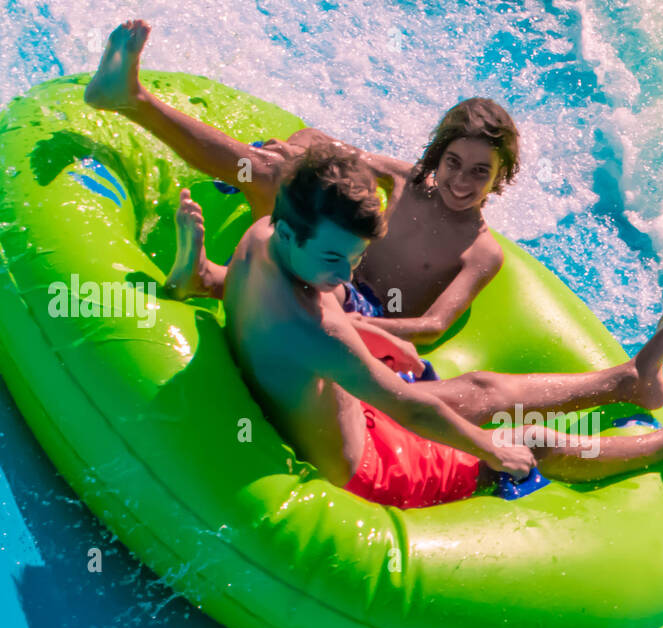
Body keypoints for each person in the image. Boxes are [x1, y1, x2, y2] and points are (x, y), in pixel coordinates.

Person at [160, 143, 663, 509]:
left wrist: (377, 333)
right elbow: (410, 410)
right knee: (525, 437)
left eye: (355, 257)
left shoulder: (264, 239)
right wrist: (489, 448)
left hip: (344, 402)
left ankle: (626, 380)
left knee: (485, 390)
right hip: (371, 465)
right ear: (293, 233)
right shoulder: (320, 331)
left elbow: (268, 302)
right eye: (335, 259)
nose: (347, 272)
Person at [84, 18, 519, 367]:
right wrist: (294, 152)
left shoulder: (481, 253)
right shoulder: (406, 181)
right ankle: (131, 98)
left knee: (307, 271)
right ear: (438, 157)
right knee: (269, 171)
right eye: (453, 164)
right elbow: (322, 141)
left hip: (366, 322)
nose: (461, 181)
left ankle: (209, 278)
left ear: (501, 175)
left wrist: (348, 324)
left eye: (480, 172)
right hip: (324, 270)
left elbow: (432, 326)